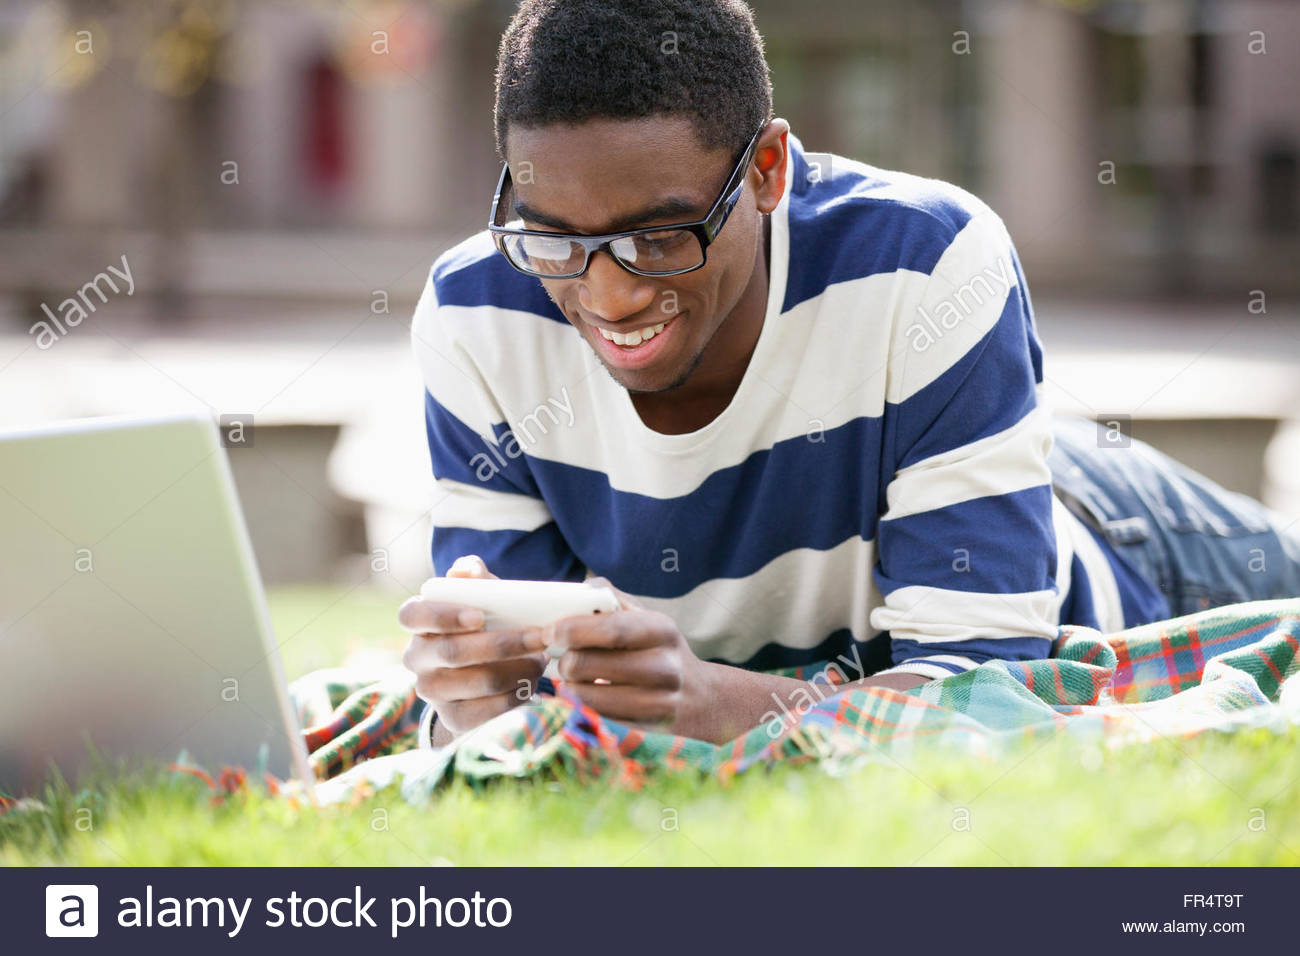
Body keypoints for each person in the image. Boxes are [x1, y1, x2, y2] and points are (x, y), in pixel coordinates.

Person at [398, 0, 1300, 746]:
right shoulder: (477, 310)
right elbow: (523, 699)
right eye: (552, 235)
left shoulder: (925, 257)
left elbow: (987, 690)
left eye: (661, 236)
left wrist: (714, 705)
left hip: (1121, 540)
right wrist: (484, 698)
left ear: (766, 169)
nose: (610, 293)